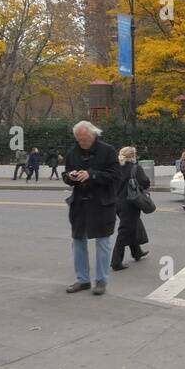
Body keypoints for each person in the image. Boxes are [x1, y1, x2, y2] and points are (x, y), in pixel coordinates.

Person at [63, 121, 120, 297]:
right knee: (78, 241)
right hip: (79, 203)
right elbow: (66, 174)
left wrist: (92, 174)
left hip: (102, 203)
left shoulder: (108, 150)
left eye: (85, 139)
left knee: (103, 242)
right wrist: (70, 176)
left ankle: (101, 280)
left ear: (94, 135)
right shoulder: (72, 152)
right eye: (79, 140)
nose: (82, 143)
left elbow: (115, 175)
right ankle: (83, 280)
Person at [112, 146, 151, 272]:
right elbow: (145, 182)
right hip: (130, 203)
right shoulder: (135, 168)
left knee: (133, 225)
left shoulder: (116, 168)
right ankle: (116, 261)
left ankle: (137, 252)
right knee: (125, 231)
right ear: (133, 156)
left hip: (117, 203)